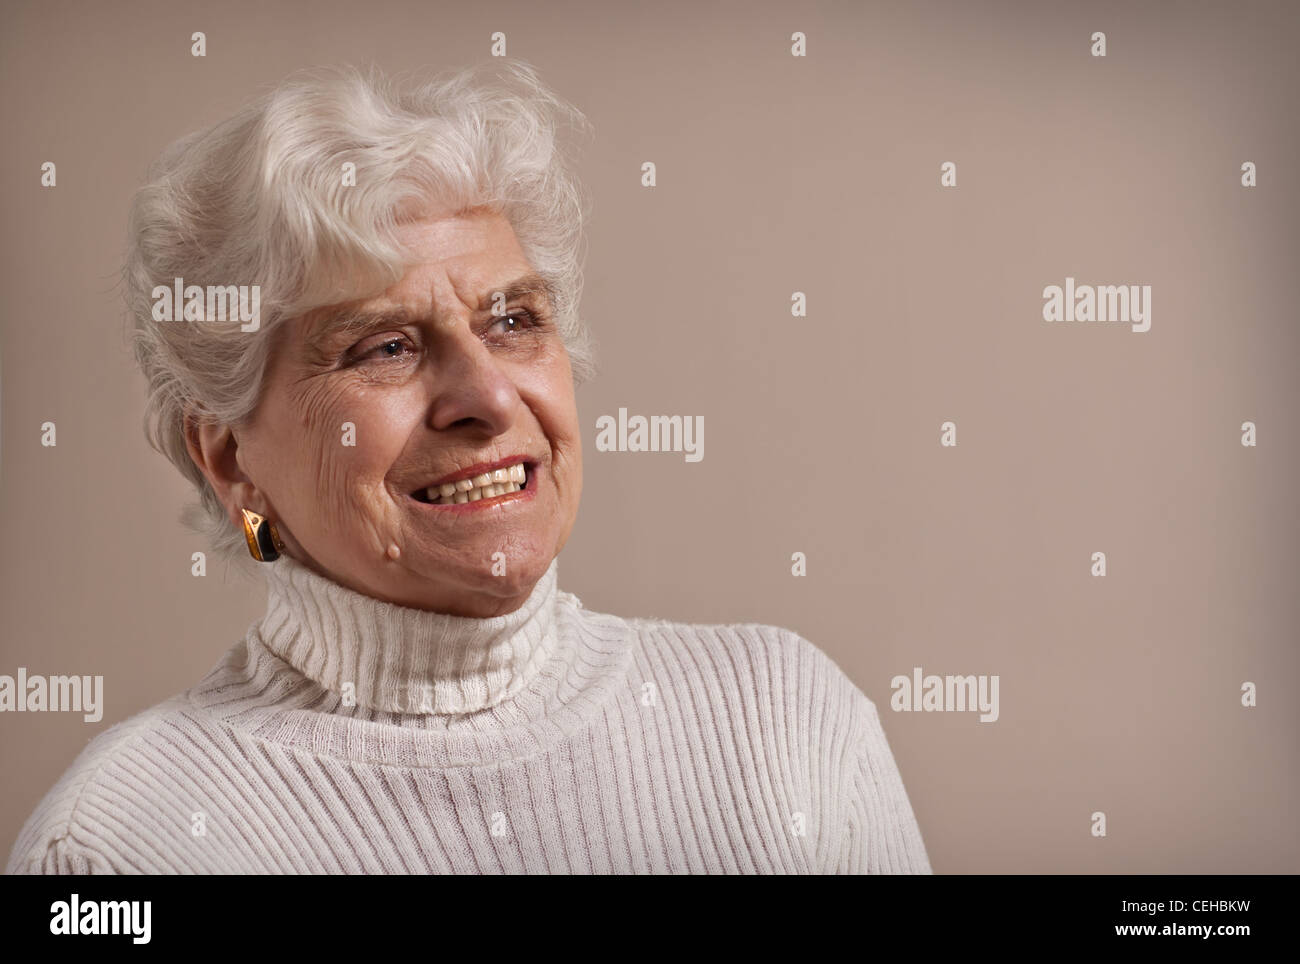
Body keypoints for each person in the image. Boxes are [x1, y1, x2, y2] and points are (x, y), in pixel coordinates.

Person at [6, 61, 931, 874]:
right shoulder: (120, 849)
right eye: (386, 346)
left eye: (513, 321)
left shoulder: (785, 720)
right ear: (230, 459)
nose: (486, 397)